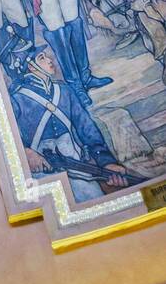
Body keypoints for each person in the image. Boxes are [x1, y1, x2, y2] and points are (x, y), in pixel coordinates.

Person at [11, 43, 129, 201]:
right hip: (40, 172)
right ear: (31, 67)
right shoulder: (17, 100)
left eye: (46, 56)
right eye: (42, 58)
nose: (49, 60)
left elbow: (87, 128)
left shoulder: (65, 91)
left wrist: (106, 162)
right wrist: (25, 152)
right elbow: (6, 138)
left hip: (77, 165)